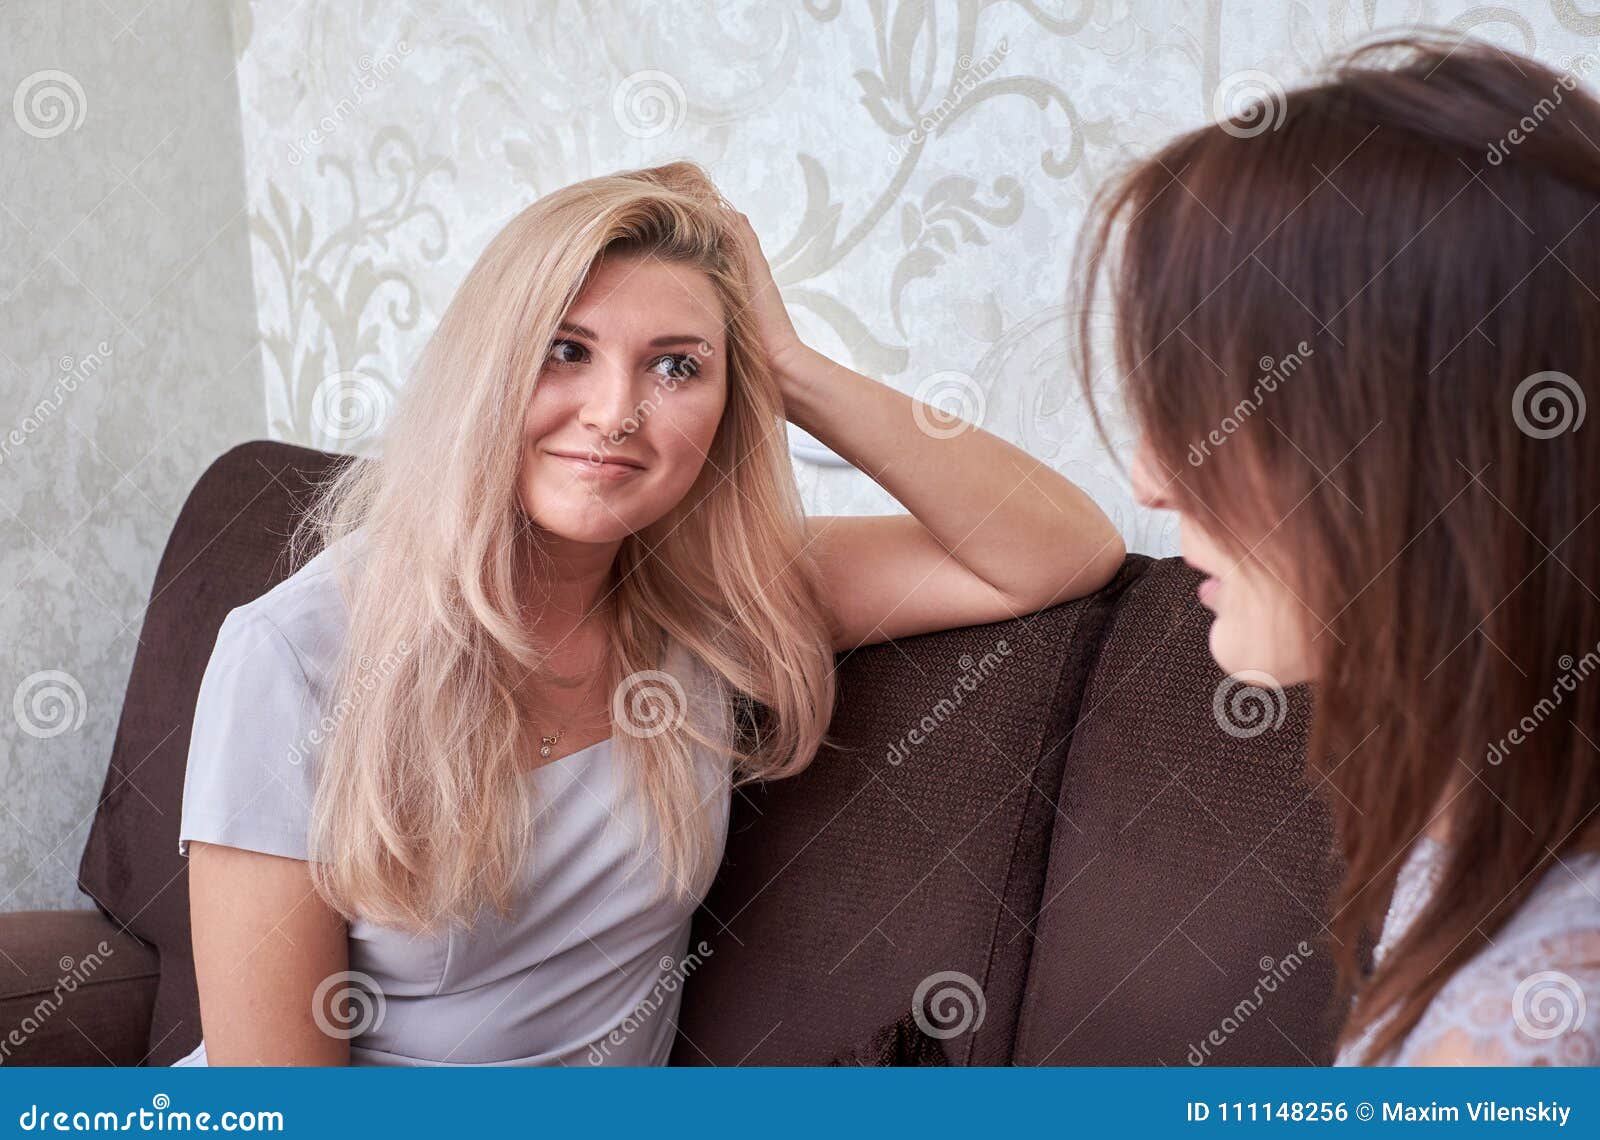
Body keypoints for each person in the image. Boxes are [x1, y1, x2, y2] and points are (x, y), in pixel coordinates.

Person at [177, 161, 1124, 1065]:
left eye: (677, 367)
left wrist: (789, 367)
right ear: (486, 368)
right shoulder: (294, 657)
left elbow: (1059, 550)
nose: (615, 411)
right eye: (565, 351)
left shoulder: (716, 598)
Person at [1078, 32, 1600, 1064]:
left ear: (1422, 454)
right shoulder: (1486, 837)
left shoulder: (1520, 1035)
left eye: (1214, 412)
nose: (1152, 479)